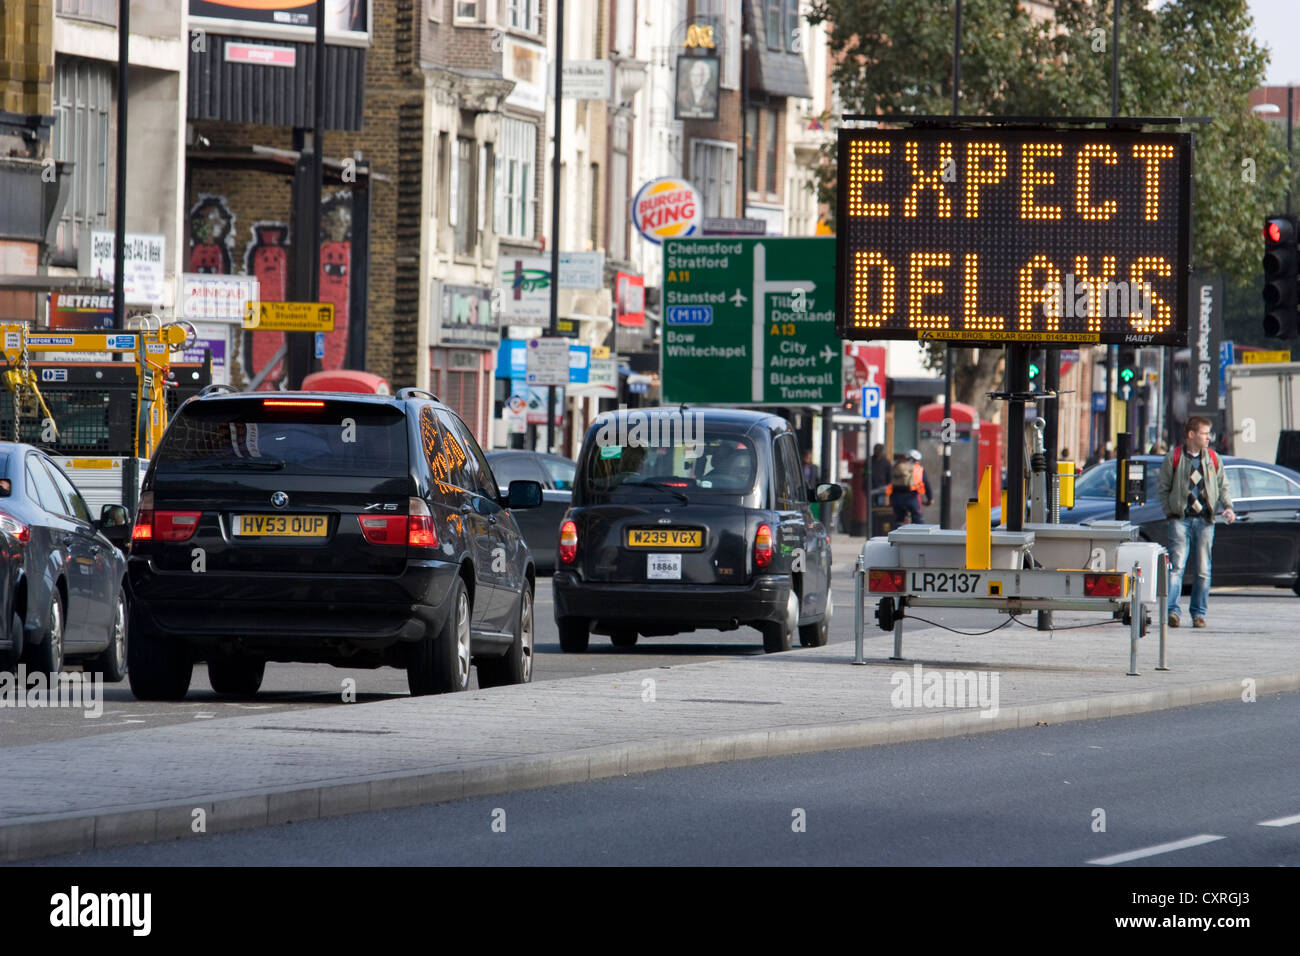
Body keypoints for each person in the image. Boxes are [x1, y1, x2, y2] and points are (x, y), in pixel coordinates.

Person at [1157, 416, 1234, 628]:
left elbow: (1223, 485)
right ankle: (1172, 612)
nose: (1209, 437)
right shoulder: (1174, 457)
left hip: (1205, 520)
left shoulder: (1212, 458)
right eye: (1204, 433)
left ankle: (1198, 613)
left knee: (1203, 570)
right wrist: (1170, 511)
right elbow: (1163, 488)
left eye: (1209, 433)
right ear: (1191, 435)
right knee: (1177, 567)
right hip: (1180, 520)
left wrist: (1227, 506)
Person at [885, 449, 933, 525]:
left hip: (897, 498)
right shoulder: (918, 469)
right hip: (913, 498)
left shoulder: (897, 466)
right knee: (918, 520)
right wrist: (930, 499)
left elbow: (890, 483)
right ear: (916, 460)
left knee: (899, 521)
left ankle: (898, 532)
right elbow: (926, 484)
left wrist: (890, 499)